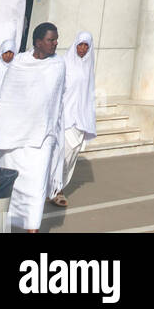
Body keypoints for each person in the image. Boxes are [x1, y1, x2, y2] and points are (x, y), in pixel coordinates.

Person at [0, 22, 65, 232]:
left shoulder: (58, 65)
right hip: (13, 139)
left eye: (56, 39)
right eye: (51, 40)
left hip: (41, 139)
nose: (55, 43)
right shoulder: (19, 63)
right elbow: (7, 102)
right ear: (38, 42)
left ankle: (32, 228)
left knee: (36, 189)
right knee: (12, 189)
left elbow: (52, 104)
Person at [48, 32, 96, 208]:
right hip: (65, 118)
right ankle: (56, 190)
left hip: (80, 121)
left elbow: (88, 96)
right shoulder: (64, 63)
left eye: (86, 46)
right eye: (80, 45)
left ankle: (55, 188)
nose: (82, 49)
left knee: (72, 156)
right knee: (62, 155)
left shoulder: (88, 67)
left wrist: (88, 119)